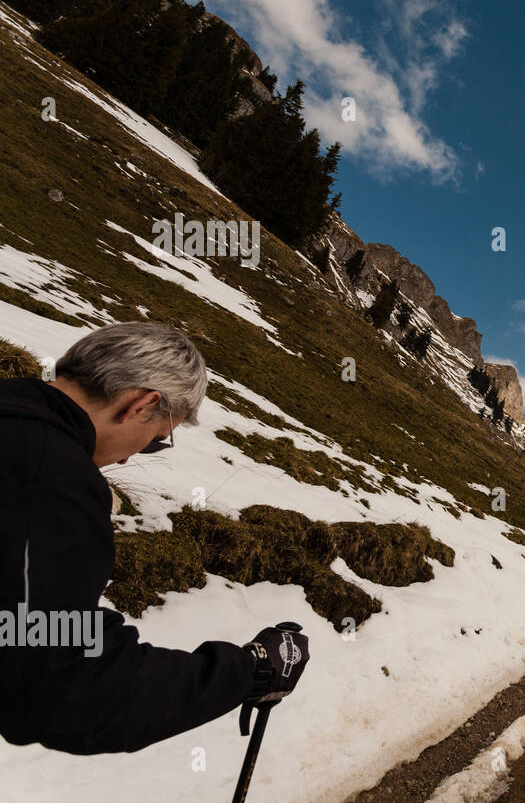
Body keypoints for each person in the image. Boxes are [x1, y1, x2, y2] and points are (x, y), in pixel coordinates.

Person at [0, 322, 309, 755]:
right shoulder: (52, 477)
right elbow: (60, 685)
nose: (128, 457)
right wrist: (250, 671)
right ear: (140, 405)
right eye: (154, 442)